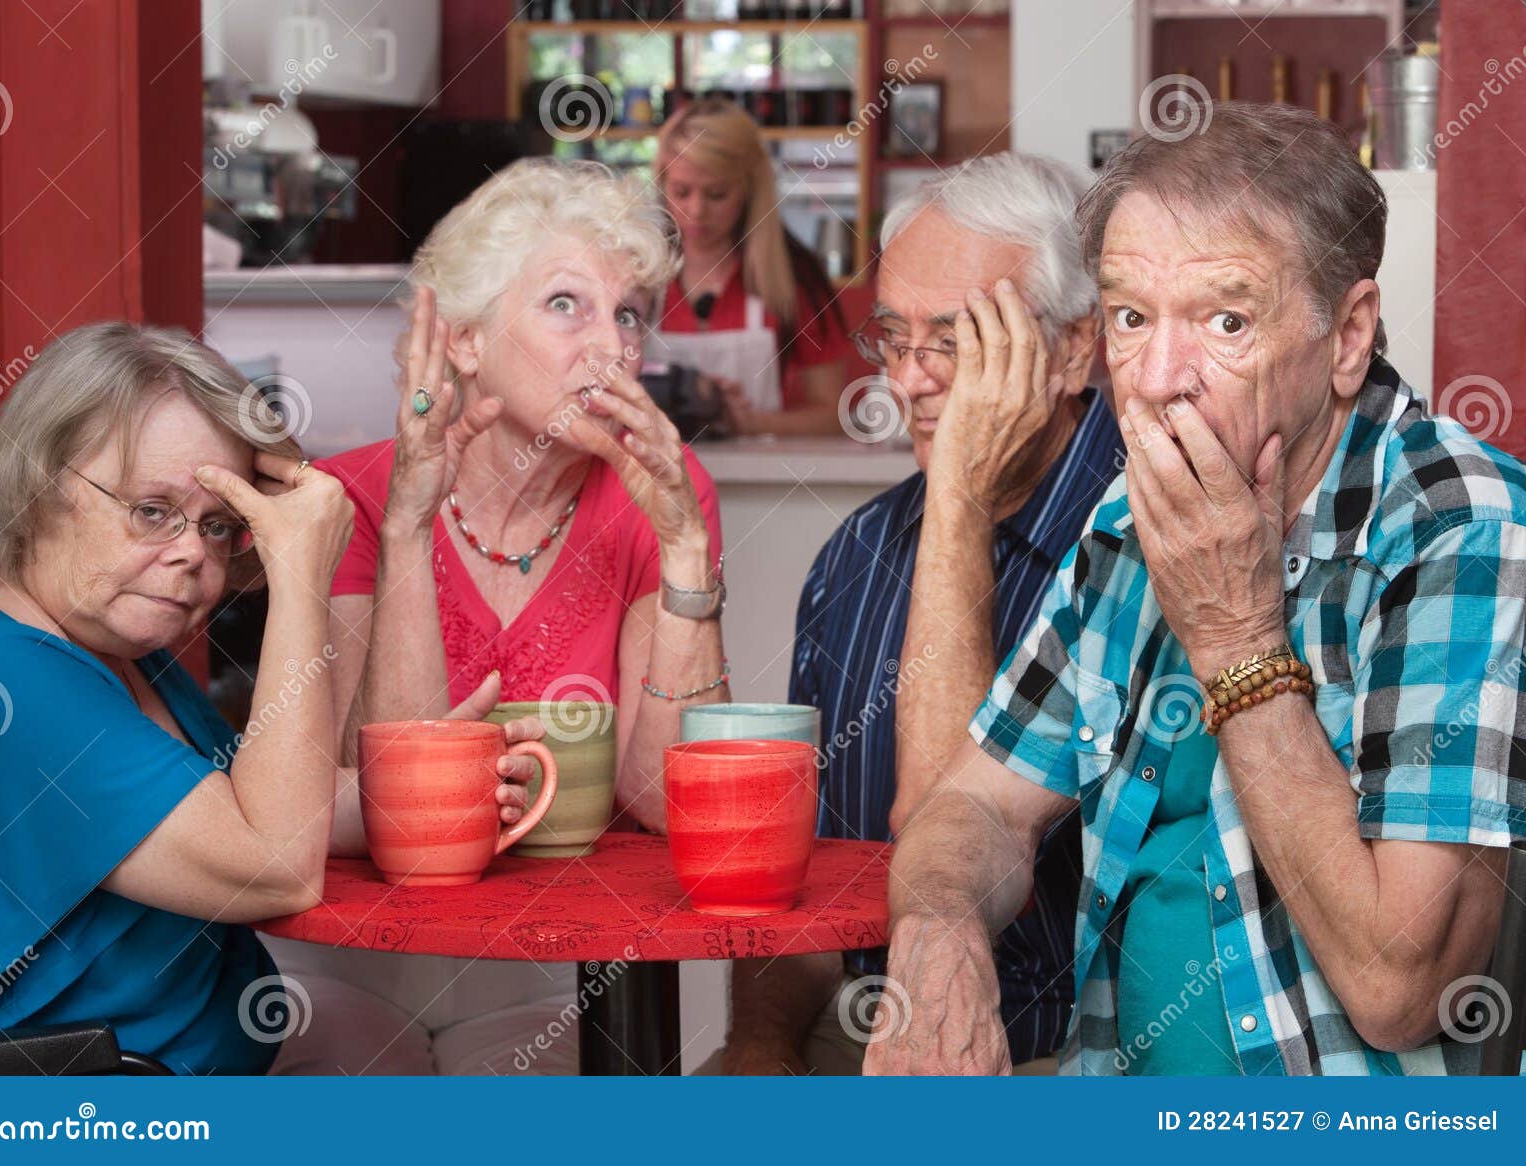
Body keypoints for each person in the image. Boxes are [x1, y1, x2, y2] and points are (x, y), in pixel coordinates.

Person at [870, 102, 1526, 1076]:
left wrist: (1234, 636)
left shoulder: (1457, 525)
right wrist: (938, 924)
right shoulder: (1126, 517)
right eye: (1132, 317)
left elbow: (1401, 984)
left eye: (1226, 319)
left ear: (1347, 334)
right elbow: (974, 806)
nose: (1159, 380)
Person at [0, 322, 537, 1075]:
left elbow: (250, 814)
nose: (192, 554)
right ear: (38, 484)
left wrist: (424, 784)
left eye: (220, 526)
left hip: (220, 1048)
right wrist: (301, 572)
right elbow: (272, 866)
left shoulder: (107, 647)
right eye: (152, 510)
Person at [267, 157, 728, 1074]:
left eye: (629, 313)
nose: (613, 347)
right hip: (347, 950)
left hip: (553, 961)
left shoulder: (660, 498)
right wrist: (408, 524)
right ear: (467, 341)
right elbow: (388, 788)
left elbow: (659, 805)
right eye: (567, 304)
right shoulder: (351, 495)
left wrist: (685, 554)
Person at [708, 155, 1123, 1074]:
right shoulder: (855, 555)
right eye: (894, 339)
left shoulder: (1146, 535)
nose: (910, 381)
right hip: (859, 1037)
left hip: (1068, 1058)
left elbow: (947, 821)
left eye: (957, 340)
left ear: (1069, 347)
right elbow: (802, 875)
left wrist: (959, 505)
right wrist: (759, 1050)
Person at [652, 97, 850, 437]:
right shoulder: (637, 276)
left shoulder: (796, 279)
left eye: (717, 194)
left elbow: (836, 417)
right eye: (681, 192)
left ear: (749, 189)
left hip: (763, 483)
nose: (696, 211)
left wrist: (751, 424)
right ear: (661, 183)